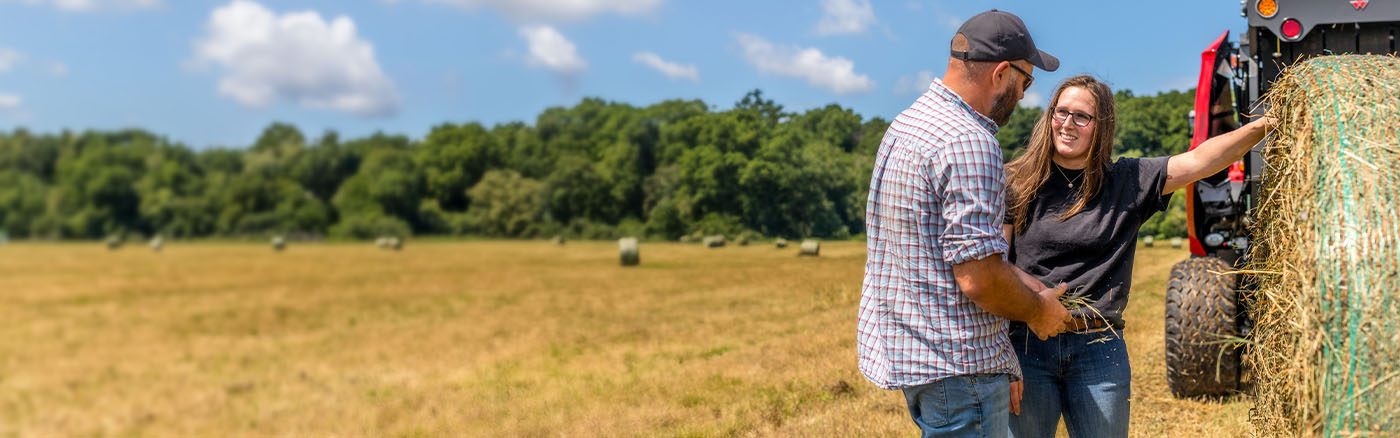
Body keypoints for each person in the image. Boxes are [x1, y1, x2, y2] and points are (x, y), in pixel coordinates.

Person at [1001, 75, 1276, 438]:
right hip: (1026, 345)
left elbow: (1201, 161)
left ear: (1102, 127)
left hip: (1098, 348)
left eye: (1081, 117)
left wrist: (1264, 124)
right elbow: (996, 267)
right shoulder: (1016, 181)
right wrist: (1001, 359)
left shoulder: (1127, 180)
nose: (1067, 124)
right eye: (1060, 112)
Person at [857, 10, 1071, 438]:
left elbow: (947, 252)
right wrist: (1038, 311)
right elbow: (978, 277)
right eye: (1025, 81)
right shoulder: (971, 141)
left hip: (921, 361)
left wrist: (1028, 294)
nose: (1025, 95)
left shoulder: (907, 124)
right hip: (958, 368)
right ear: (1000, 73)